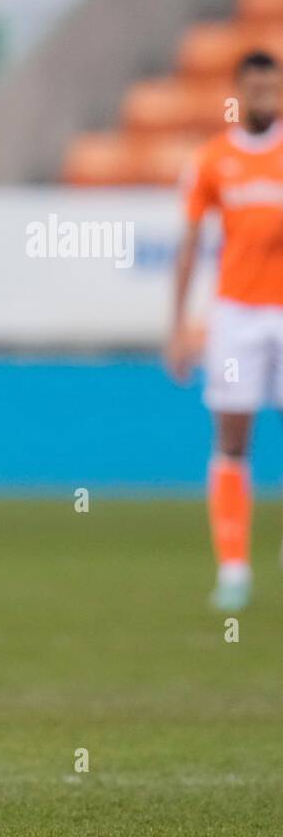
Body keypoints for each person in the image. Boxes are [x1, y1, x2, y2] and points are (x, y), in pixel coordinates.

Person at [169, 49, 283, 612]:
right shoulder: (214, 159)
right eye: (255, 87)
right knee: (233, 438)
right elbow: (189, 245)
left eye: (273, 86)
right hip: (236, 313)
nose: (265, 96)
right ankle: (234, 567)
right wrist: (178, 326)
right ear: (240, 92)